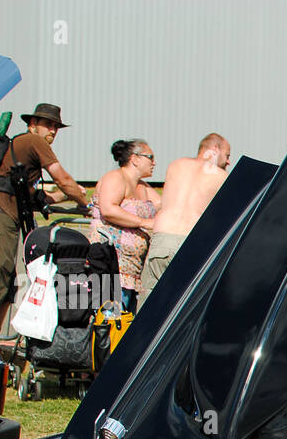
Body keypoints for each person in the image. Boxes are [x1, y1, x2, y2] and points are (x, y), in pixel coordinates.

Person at [0, 102, 87, 348]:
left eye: (56, 126)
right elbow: (62, 178)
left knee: (4, 290)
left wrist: (68, 195)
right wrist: (85, 202)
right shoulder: (34, 142)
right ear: (32, 125)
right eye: (47, 124)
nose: (52, 130)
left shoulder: (19, 152)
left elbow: (37, 197)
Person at [140, 133, 231, 299]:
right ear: (215, 149)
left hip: (162, 240)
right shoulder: (222, 177)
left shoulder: (176, 165)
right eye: (227, 155)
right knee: (183, 301)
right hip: (192, 241)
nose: (228, 162)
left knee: (151, 301)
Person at [89, 139, 161, 313]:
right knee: (111, 319)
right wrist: (144, 223)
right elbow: (108, 209)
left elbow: (164, 204)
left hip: (132, 270)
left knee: (125, 321)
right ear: (135, 159)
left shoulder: (143, 187)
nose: (154, 162)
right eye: (150, 157)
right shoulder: (115, 178)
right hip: (112, 265)